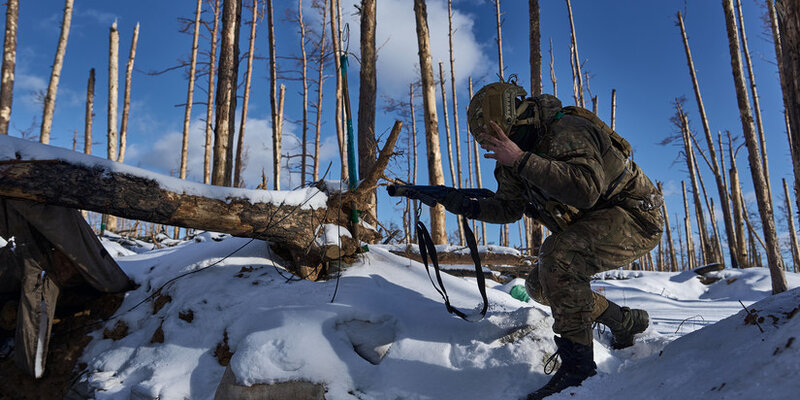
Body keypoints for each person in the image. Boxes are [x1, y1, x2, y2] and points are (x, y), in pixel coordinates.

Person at [440, 81, 663, 399]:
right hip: (594, 222)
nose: (500, 148)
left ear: (518, 119)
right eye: (492, 144)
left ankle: (578, 369)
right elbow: (508, 208)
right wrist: (460, 203)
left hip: (636, 216)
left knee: (558, 256)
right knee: (541, 285)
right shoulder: (513, 158)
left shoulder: (567, 128)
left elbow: (586, 190)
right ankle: (623, 322)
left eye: (504, 138)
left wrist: (518, 159)